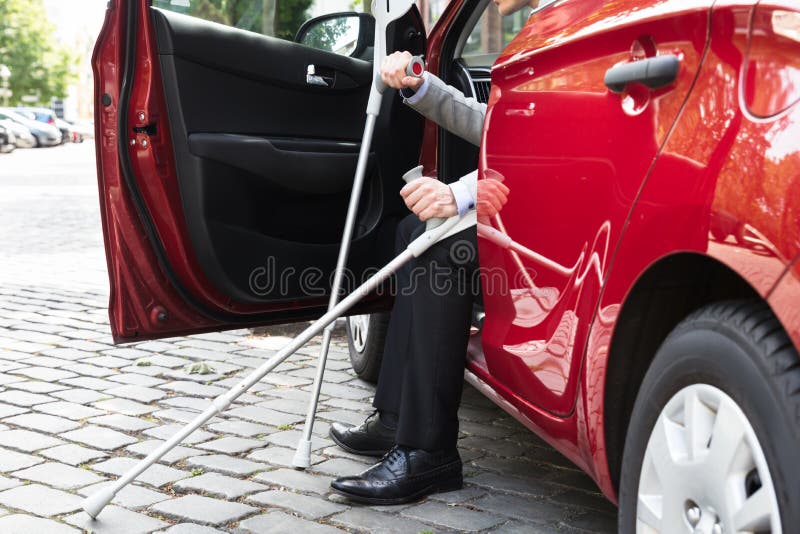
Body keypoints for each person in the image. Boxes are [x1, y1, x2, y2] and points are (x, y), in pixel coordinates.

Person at [329, 0, 537, 505]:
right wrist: (421, 84)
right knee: (409, 233)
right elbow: (500, 126)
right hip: (524, 197)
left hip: (557, 213)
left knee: (439, 251)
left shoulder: (573, 27)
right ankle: (398, 417)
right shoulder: (546, 25)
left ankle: (429, 455)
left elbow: (542, 144)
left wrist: (463, 194)